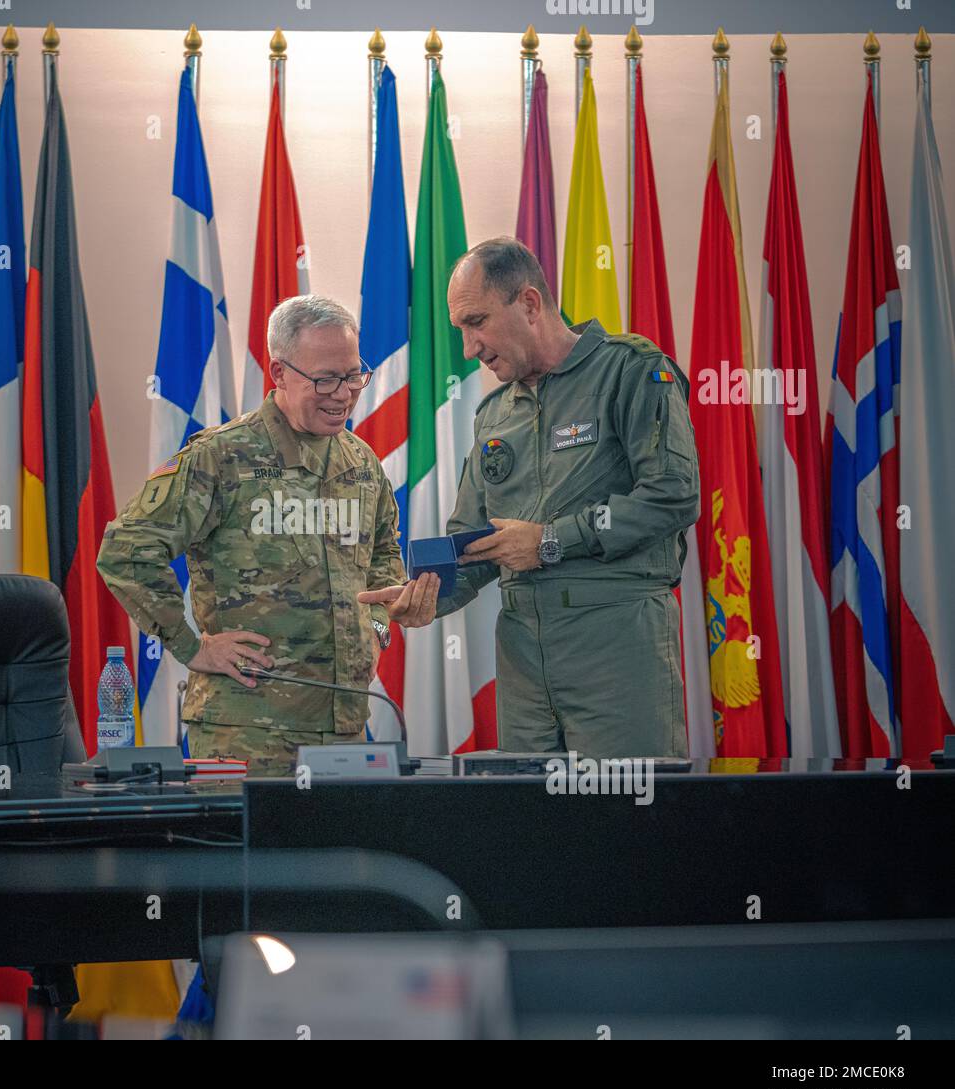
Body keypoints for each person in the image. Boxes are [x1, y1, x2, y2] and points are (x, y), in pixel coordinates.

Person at [360, 236, 701, 757]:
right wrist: (427, 595)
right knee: (532, 826)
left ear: (530, 303)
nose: (469, 348)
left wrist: (551, 542)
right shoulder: (494, 414)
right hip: (522, 659)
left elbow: (673, 495)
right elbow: (472, 546)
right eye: (461, 330)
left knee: (625, 823)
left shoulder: (631, 372)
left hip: (616, 643)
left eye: (477, 322)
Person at [98, 295, 405, 775]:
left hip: (345, 726)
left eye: (352, 376)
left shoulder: (360, 461)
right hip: (247, 732)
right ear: (279, 373)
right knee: (249, 852)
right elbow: (127, 550)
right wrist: (191, 646)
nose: (343, 393)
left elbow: (384, 549)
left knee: (342, 852)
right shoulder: (222, 457)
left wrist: (379, 624)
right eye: (325, 379)